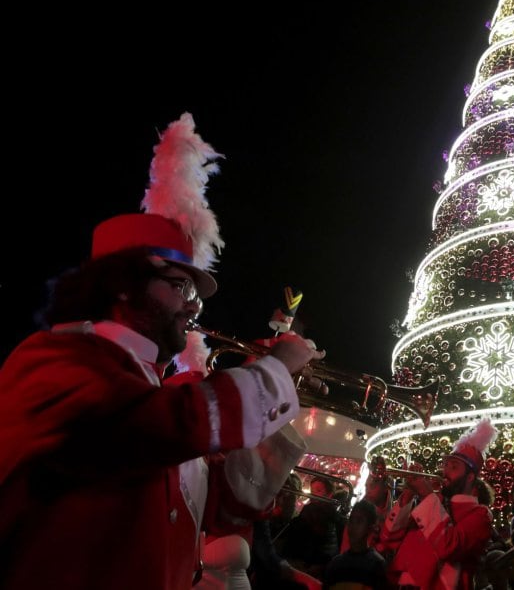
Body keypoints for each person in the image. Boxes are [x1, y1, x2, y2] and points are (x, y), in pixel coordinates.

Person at [0, 211, 325, 590]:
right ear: (123, 285)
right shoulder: (55, 357)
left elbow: (225, 513)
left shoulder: (148, 384)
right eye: (181, 286)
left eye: (194, 296)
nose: (193, 306)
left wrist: (280, 386)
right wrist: (273, 371)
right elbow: (153, 426)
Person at [382, 416, 497, 589]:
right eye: (446, 465)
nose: (445, 471)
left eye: (454, 467)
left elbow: (448, 546)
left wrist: (426, 494)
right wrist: (408, 495)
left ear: (470, 477)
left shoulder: (480, 515)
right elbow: (389, 539)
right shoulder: (434, 503)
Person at [280, 476, 347, 581]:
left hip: (310, 563)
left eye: (318, 491)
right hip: (317, 562)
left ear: (329, 494)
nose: (313, 494)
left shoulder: (314, 511)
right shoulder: (332, 513)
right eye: (312, 491)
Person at [322, 499, 388, 590]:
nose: (353, 526)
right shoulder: (335, 564)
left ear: (370, 528)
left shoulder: (376, 565)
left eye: (359, 521)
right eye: (351, 520)